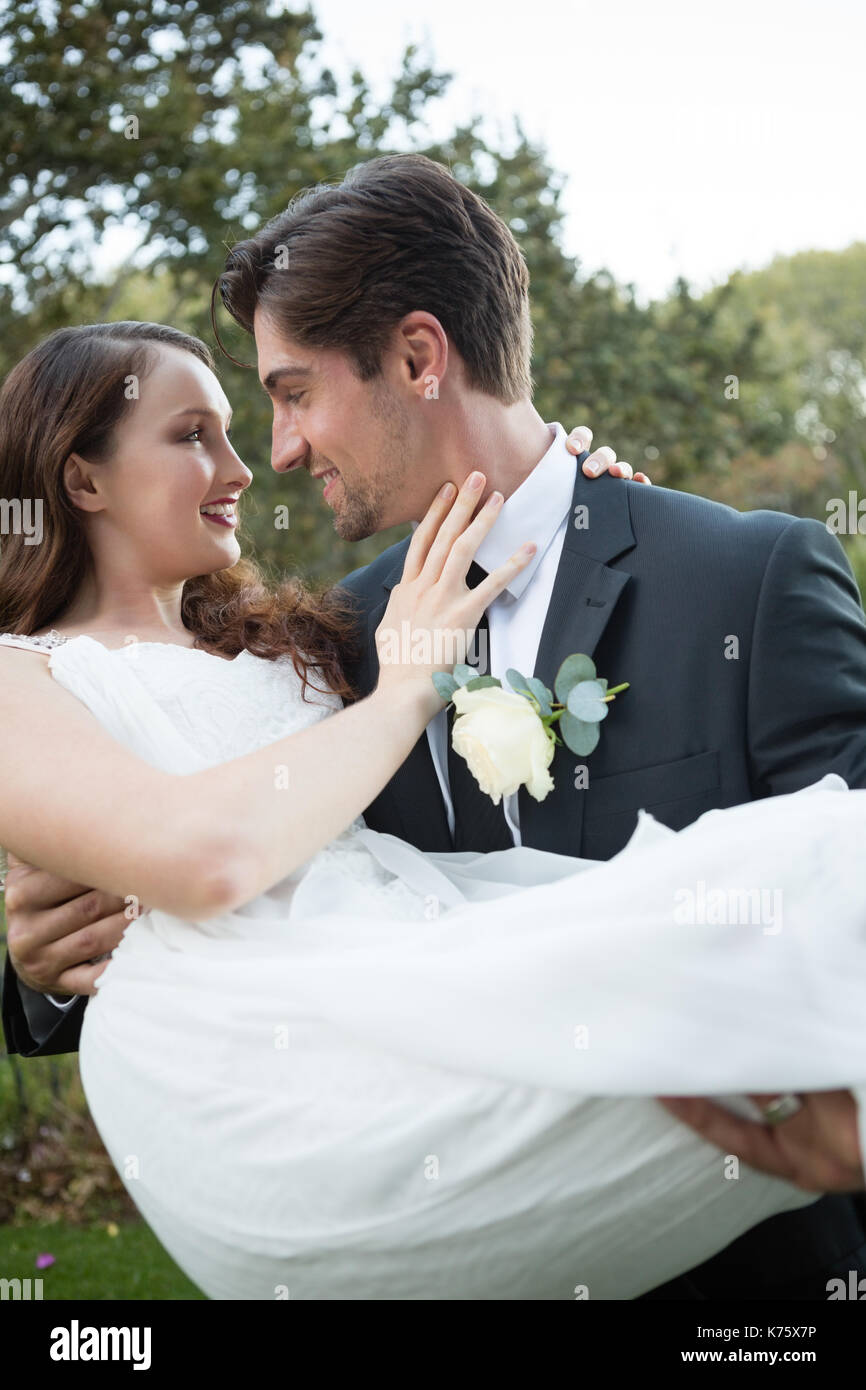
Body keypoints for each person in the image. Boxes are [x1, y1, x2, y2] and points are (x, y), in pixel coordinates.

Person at [4, 152, 866, 1298]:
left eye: (292, 394)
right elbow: (240, 892)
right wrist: (43, 966)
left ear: (418, 358)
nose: (278, 453)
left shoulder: (738, 582)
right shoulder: (337, 643)